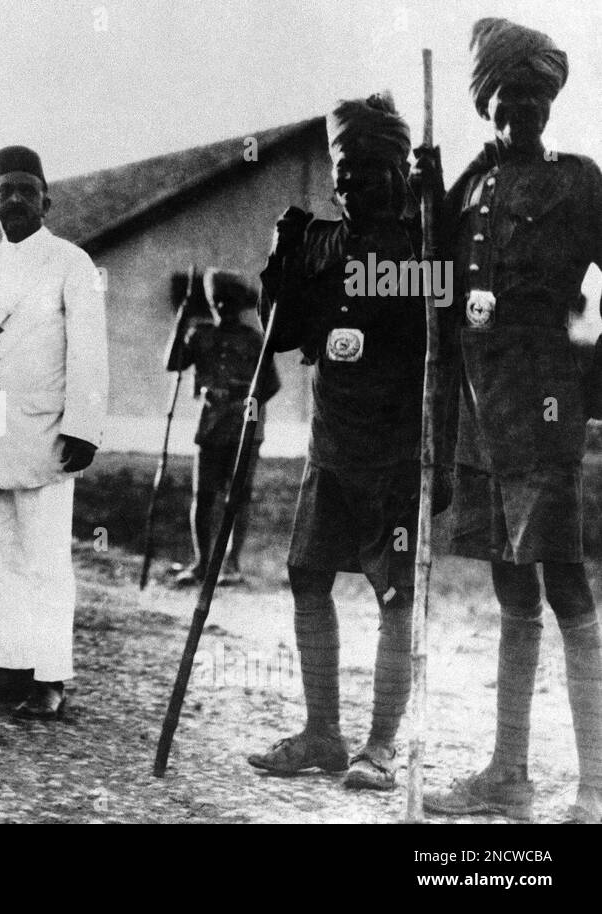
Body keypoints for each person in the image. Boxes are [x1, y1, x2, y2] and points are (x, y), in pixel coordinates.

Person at [420, 18, 602, 824]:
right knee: (509, 585)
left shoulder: (580, 181)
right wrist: (429, 194)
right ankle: (510, 774)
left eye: (534, 96)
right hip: (476, 407)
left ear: (550, 104)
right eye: (505, 96)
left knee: (564, 581)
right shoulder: (465, 191)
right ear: (485, 102)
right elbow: (424, 285)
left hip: (544, 400)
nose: (520, 110)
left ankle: (596, 783)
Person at [246, 94, 442, 790]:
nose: (354, 182)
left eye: (370, 167)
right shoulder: (325, 242)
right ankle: (323, 734)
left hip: (394, 452)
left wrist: (438, 462)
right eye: (343, 169)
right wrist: (282, 259)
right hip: (331, 446)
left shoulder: (420, 249)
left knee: (395, 596)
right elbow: (287, 332)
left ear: (397, 171)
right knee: (306, 575)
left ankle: (381, 746)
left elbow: (440, 349)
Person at [0, 145, 108, 720]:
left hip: (44, 434)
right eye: (4, 191)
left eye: (26, 191)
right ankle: (12, 668)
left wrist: (83, 428)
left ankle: (51, 678)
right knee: (1, 559)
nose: (14, 200)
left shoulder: (71, 263)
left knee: (46, 562)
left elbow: (89, 352)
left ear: (45, 201)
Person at [169, 269, 279, 588]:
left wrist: (246, 399)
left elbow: (270, 383)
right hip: (211, 425)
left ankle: (231, 565)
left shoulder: (254, 340)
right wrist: (182, 319)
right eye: (217, 301)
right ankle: (203, 563)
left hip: (246, 427)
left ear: (239, 305)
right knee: (203, 495)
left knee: (239, 496)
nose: (222, 307)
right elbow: (173, 363)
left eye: (229, 302)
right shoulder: (199, 335)